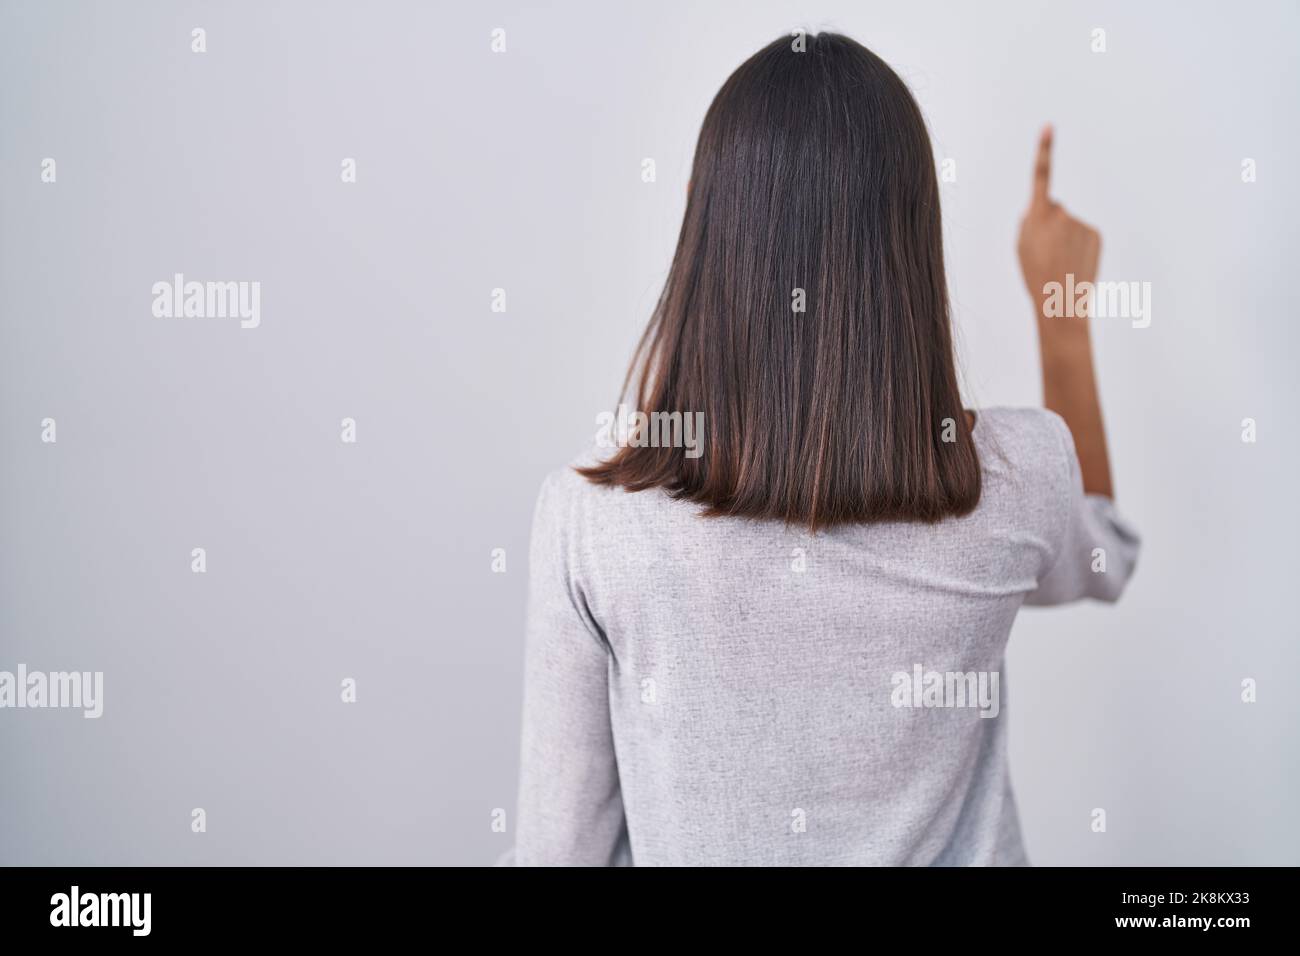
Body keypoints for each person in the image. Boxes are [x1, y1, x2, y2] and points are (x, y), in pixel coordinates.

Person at [511, 32, 1139, 866]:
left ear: (706, 230)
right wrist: (1062, 310)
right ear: (913, 242)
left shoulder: (591, 529)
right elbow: (1107, 556)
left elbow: (561, 854)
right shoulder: (1013, 481)